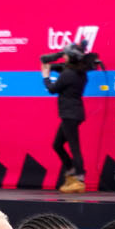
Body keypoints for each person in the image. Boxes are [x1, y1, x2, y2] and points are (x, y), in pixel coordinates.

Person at [42, 41, 90, 193]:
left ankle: (80, 179)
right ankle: (70, 171)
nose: (63, 57)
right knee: (57, 145)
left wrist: (45, 76)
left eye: (66, 55)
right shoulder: (78, 71)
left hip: (70, 114)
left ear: (71, 57)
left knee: (74, 146)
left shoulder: (69, 74)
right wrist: (61, 54)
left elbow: (52, 89)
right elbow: (45, 60)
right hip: (72, 113)